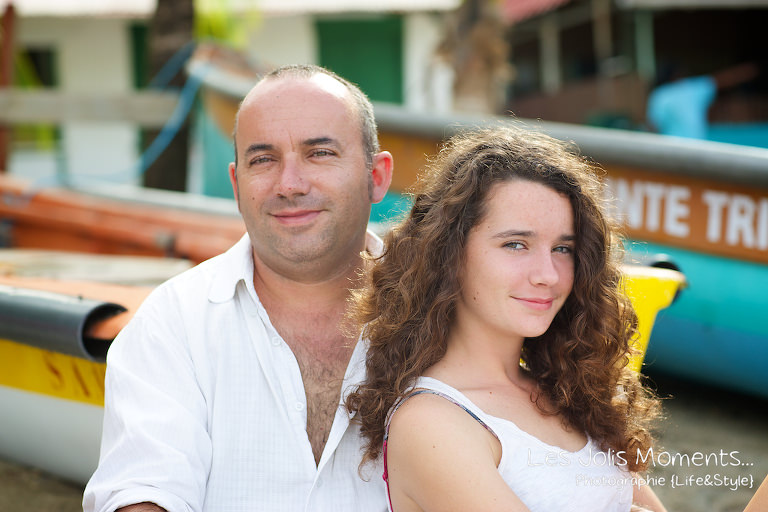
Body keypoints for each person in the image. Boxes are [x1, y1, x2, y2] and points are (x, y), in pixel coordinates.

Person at [83, 64, 394, 512]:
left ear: (376, 176)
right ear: (236, 184)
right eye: (263, 159)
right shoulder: (174, 321)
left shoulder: (440, 313)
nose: (289, 184)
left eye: (320, 153)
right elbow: (142, 493)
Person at [346, 126, 667, 511]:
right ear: (449, 254)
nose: (548, 274)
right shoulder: (431, 423)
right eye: (516, 244)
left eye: (563, 248)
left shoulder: (567, 392)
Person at [646, 62, 759, 139]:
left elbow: (653, 126)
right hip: (697, 148)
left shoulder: (659, 94)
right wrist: (750, 70)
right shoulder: (691, 88)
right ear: (677, 75)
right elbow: (723, 79)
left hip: (673, 150)